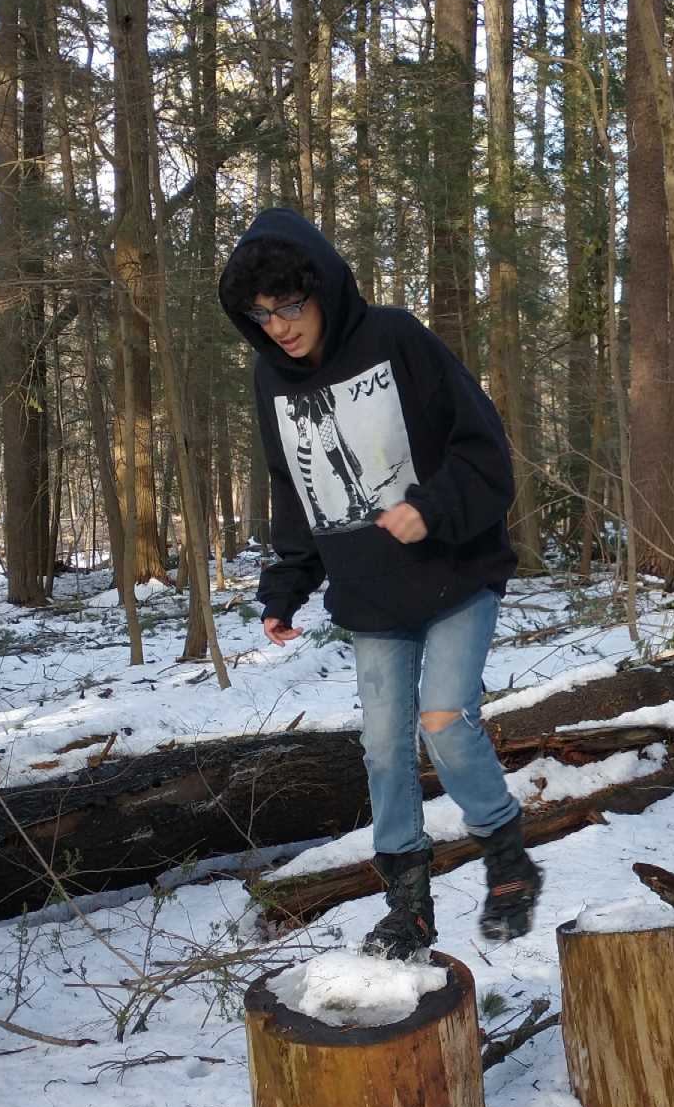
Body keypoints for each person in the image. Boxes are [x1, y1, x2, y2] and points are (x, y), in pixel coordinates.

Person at [220, 208, 541, 958]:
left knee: (444, 725)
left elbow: (485, 450)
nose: (279, 326)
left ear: (321, 288)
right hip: (371, 598)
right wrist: (286, 584)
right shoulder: (270, 379)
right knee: (383, 752)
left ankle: (506, 857)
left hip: (456, 575)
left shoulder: (395, 338)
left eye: (290, 305)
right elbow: (292, 492)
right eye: (262, 315)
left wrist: (428, 509)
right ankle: (409, 905)